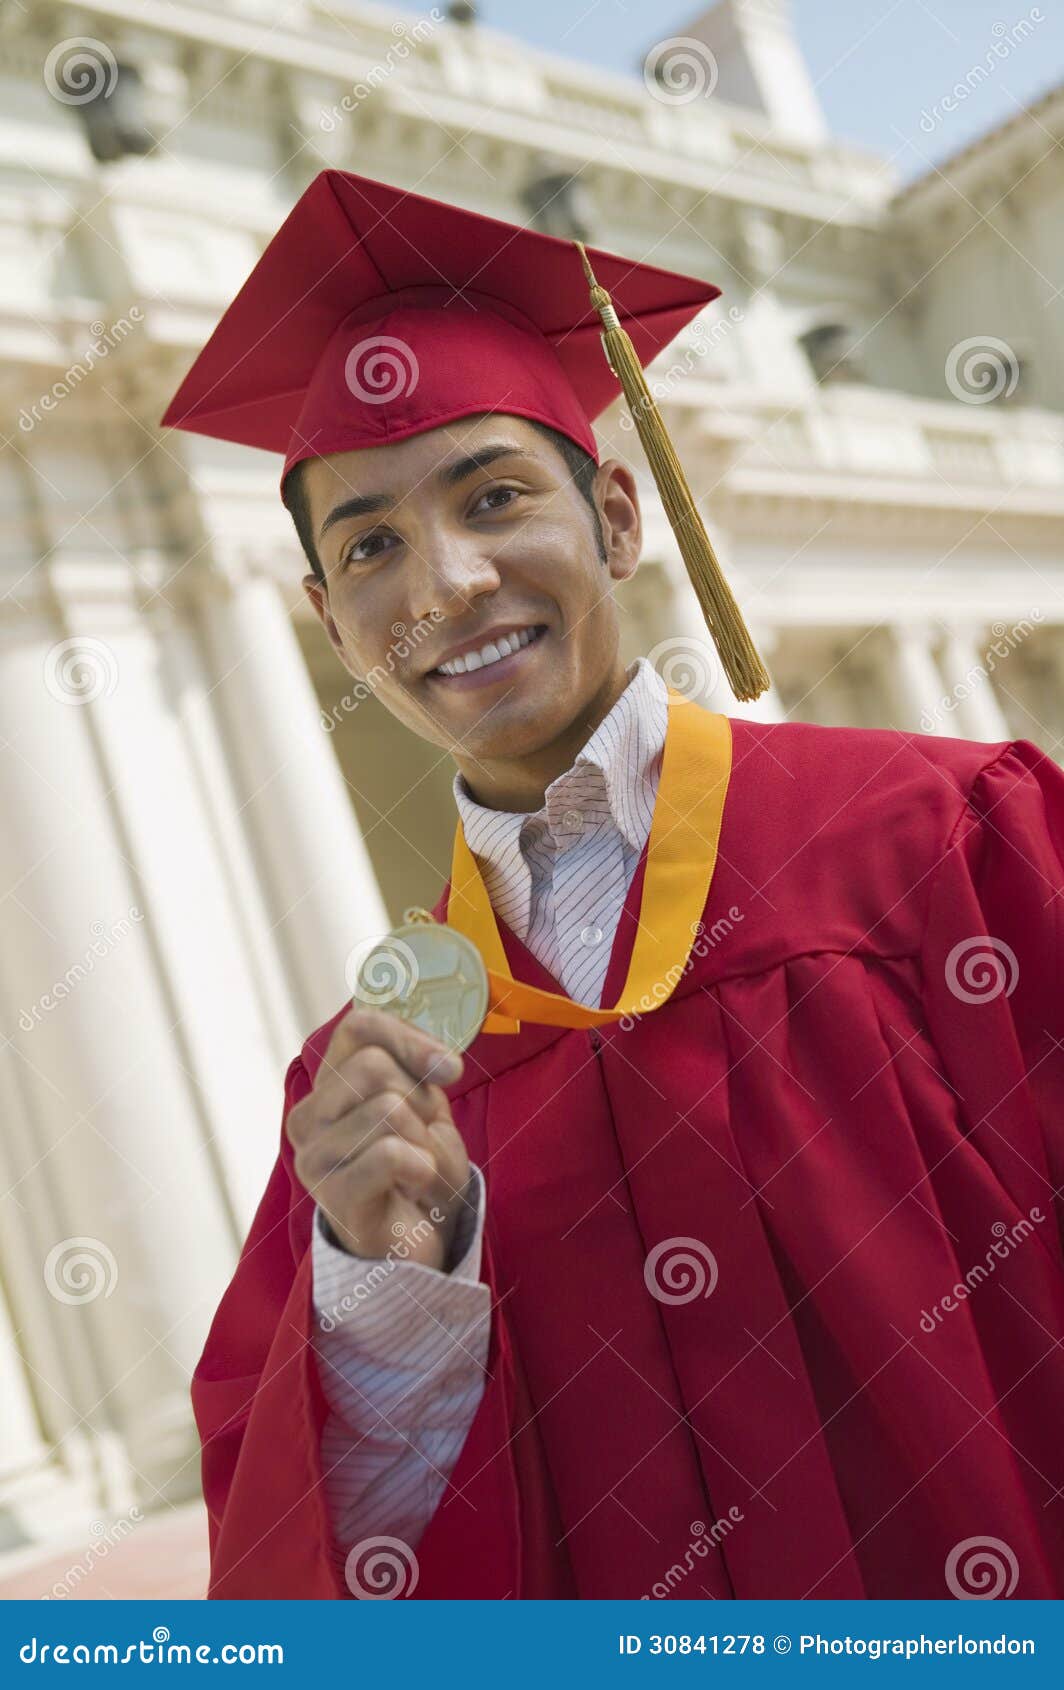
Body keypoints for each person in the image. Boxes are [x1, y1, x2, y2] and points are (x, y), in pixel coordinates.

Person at [162, 169, 1064, 1601]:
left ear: (621, 519)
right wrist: (393, 1278)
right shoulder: (367, 1097)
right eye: (371, 546)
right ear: (335, 628)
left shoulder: (941, 840)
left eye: (495, 495)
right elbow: (332, 1561)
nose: (446, 582)